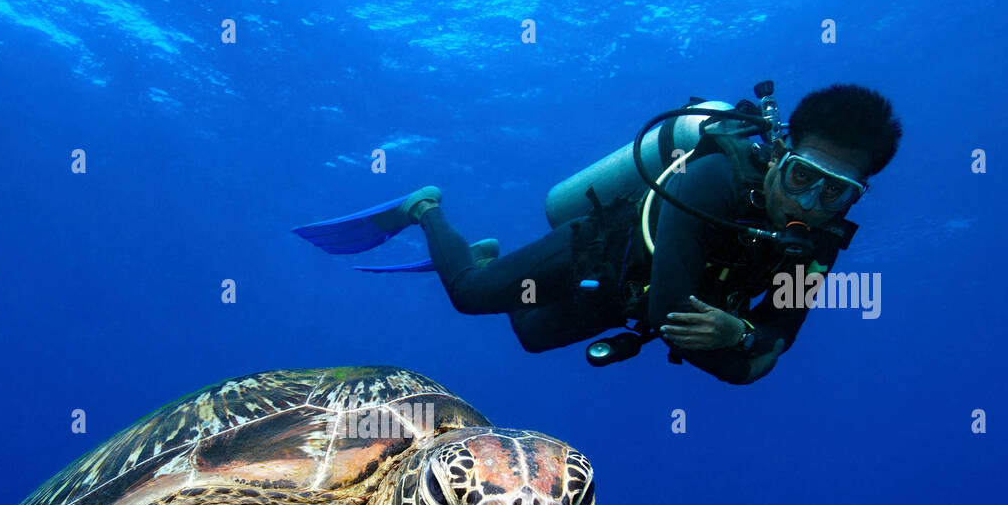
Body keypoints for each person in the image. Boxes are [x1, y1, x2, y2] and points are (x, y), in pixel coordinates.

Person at [300, 84, 902, 384]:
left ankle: (489, 257)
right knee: (470, 295)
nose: (809, 202)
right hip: (599, 248)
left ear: (856, 195)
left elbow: (771, 349)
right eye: (801, 176)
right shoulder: (714, 179)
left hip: (621, 295)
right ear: (779, 157)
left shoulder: (815, 244)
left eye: (837, 192)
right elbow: (682, 321)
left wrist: (739, 332)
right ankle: (424, 209)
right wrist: (744, 337)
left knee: (532, 337)